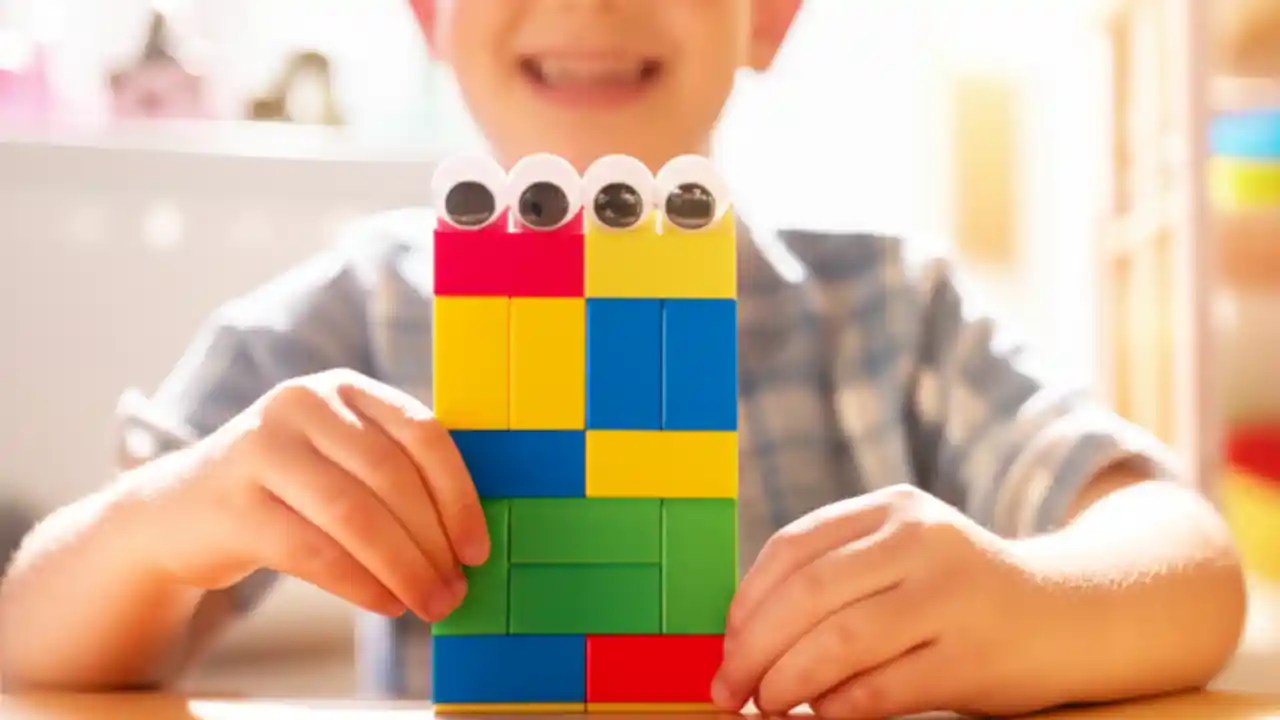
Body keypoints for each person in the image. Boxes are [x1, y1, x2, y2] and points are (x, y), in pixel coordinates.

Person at [0, 1, 1246, 717]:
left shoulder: (884, 309)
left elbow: (1182, 557)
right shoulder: (353, 312)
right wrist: (170, 519)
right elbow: (36, 637)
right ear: (429, 14)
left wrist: (1028, 606)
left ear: (766, 15)